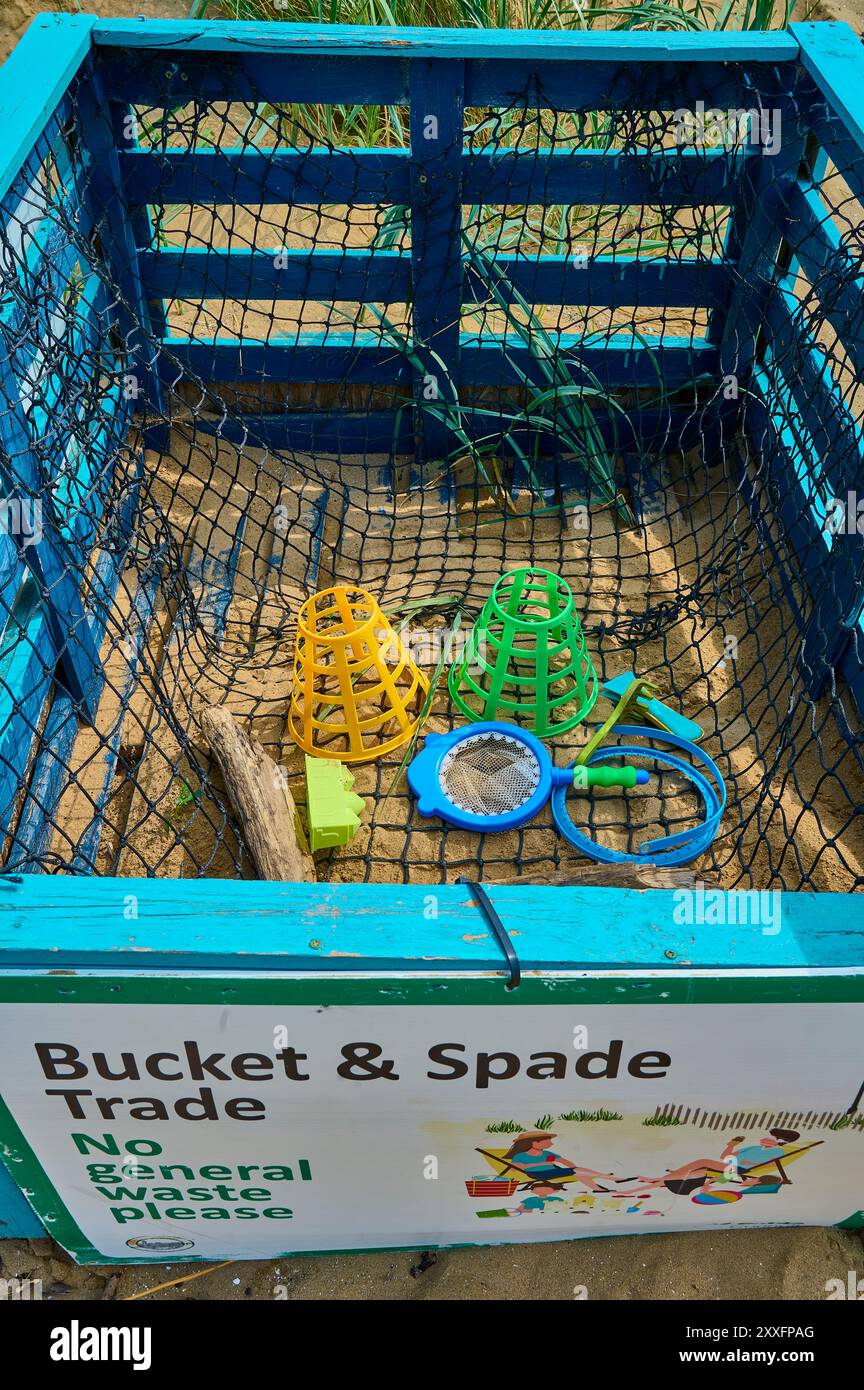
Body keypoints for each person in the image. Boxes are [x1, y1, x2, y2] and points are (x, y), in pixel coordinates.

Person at [501, 1130, 619, 1192]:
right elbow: (516, 1168)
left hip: (552, 1172)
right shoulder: (521, 1155)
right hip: (537, 1173)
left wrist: (572, 1168)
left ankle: (598, 1189)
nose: (551, 1144)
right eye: (547, 1141)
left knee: (577, 1171)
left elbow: (564, 1161)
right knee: (576, 1171)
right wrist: (542, 1163)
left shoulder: (547, 1154)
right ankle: (607, 1177)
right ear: (534, 1142)